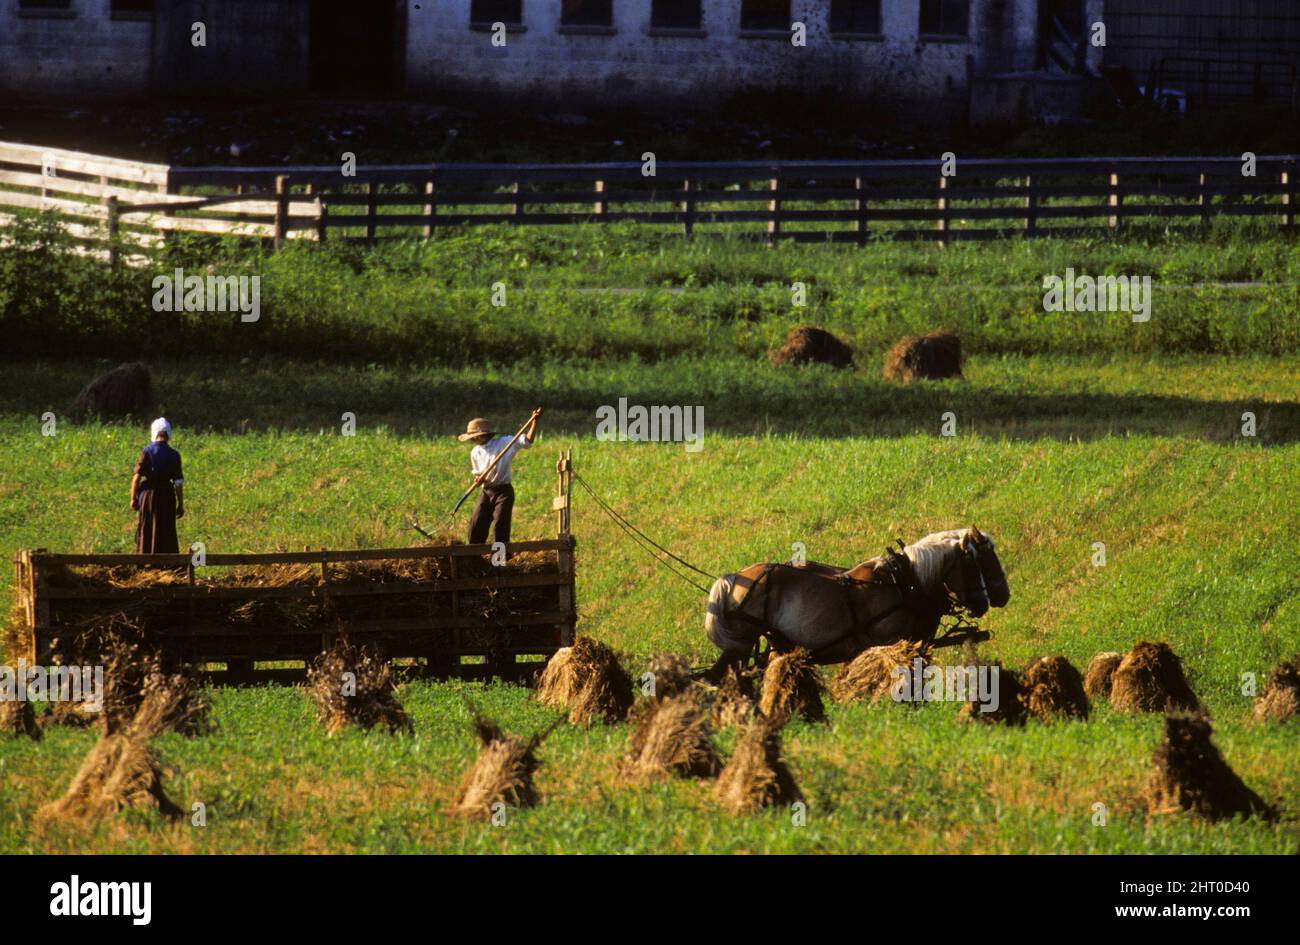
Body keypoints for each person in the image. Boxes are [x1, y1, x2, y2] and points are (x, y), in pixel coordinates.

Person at [458, 409, 542, 546]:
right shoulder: (475, 452)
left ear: (482, 436)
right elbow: (479, 475)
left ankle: (500, 562)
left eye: (474, 437)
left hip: (503, 492)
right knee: (477, 523)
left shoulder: (505, 443)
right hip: (487, 491)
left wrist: (534, 422)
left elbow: (527, 441)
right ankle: (473, 558)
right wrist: (479, 480)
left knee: (500, 525)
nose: (473, 440)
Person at [130, 417, 184, 554]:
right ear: (168, 434)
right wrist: (181, 504)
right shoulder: (174, 455)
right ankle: (168, 563)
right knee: (166, 528)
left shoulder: (147, 451)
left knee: (147, 526)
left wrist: (133, 499)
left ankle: (146, 561)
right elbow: (178, 483)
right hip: (166, 495)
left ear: (154, 433)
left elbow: (136, 477)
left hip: (148, 496)